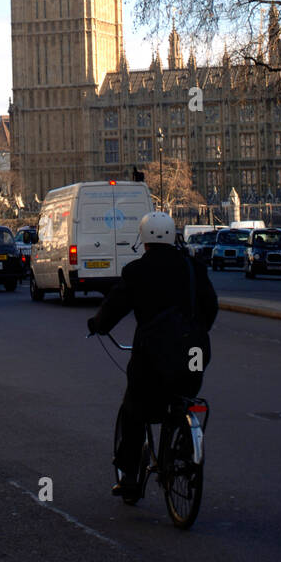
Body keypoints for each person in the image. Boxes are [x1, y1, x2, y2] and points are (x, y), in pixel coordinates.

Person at [87, 211, 218, 502]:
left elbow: (115, 306)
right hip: (194, 353)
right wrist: (196, 330)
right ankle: (182, 449)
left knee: (134, 409)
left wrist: (98, 324)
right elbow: (211, 306)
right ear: (172, 236)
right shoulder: (193, 268)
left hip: (153, 356)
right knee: (184, 395)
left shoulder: (137, 271)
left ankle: (130, 478)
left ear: (144, 240)